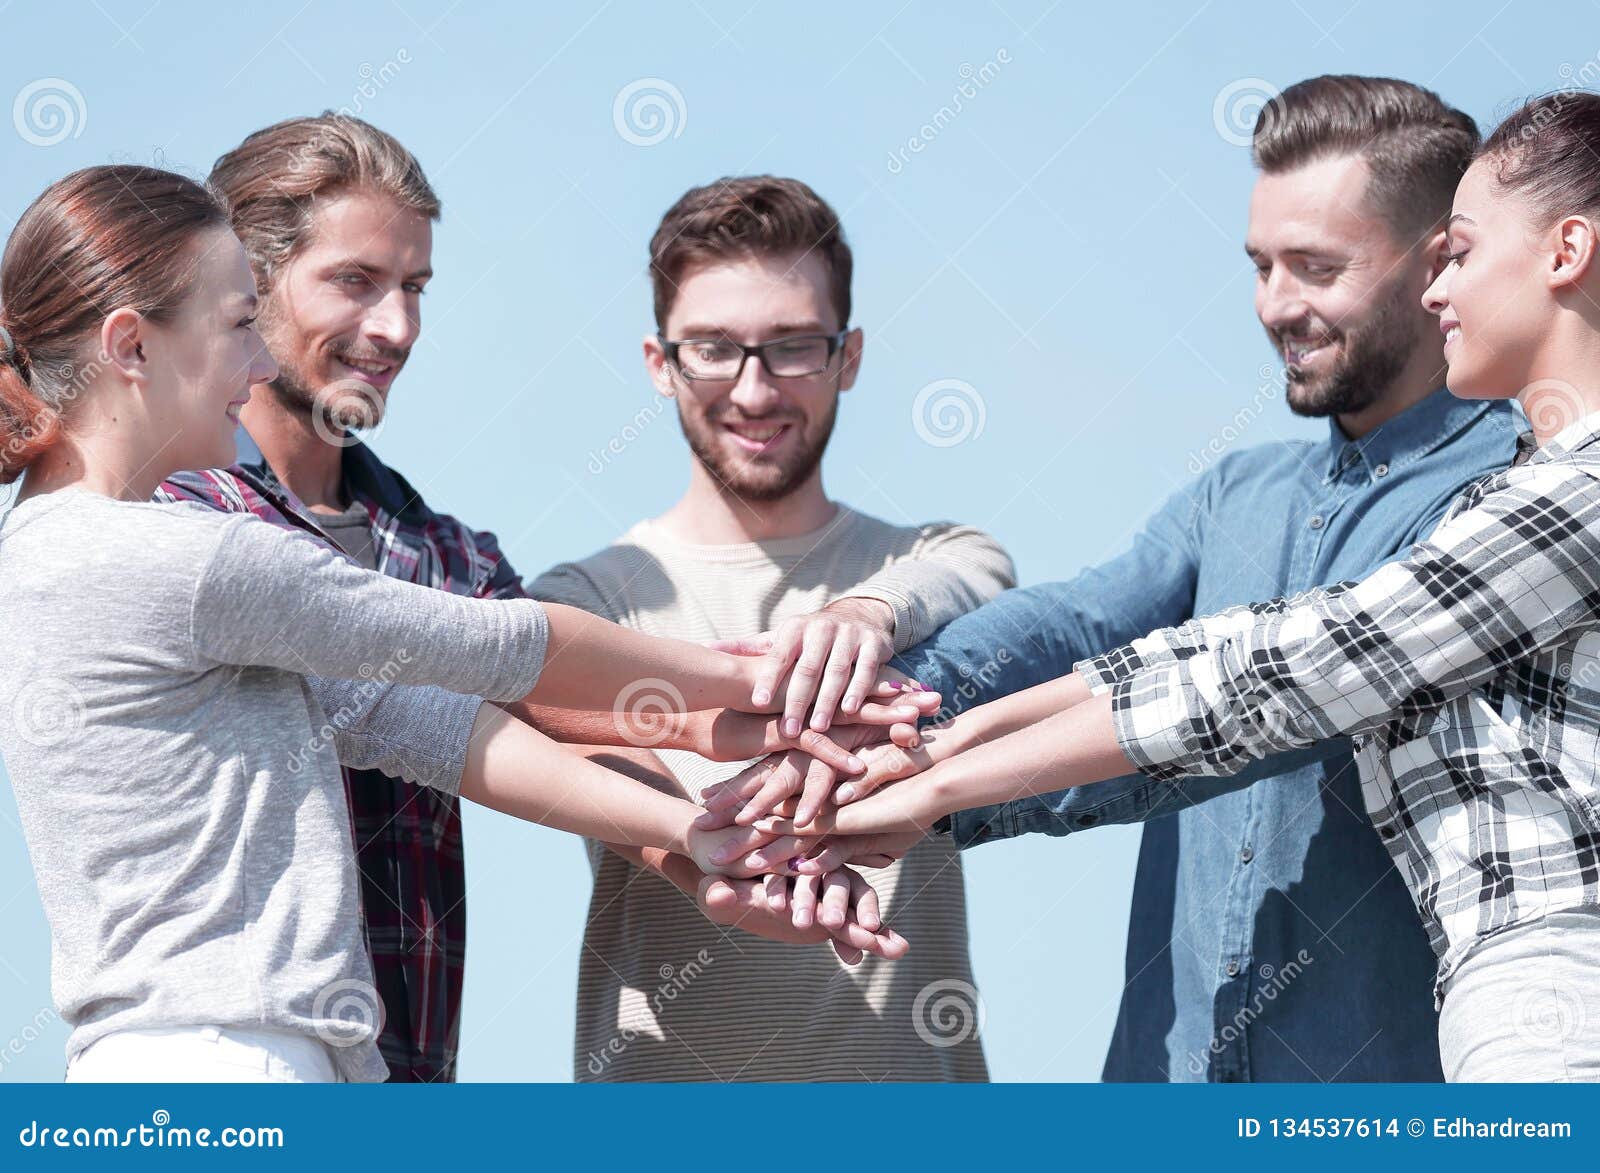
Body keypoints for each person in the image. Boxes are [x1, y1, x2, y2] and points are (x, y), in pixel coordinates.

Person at [0, 164, 902, 1084]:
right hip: (231, 1061)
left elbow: (410, 716)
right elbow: (493, 646)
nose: (260, 356)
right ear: (131, 346)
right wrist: (758, 681)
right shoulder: (197, 555)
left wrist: (699, 829)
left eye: (414, 288)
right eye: (239, 322)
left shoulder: (45, 550)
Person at [770, 90, 1600, 1083]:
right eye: (1260, 267)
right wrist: (880, 702)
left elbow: (1284, 685)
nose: (1276, 305)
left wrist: (932, 782)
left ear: (1438, 260)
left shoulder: (1516, 497)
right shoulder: (1236, 496)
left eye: (1317, 268)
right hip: (1177, 1076)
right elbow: (1089, 629)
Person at [528, 175, 1014, 1081]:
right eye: (714, 349)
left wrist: (865, 614)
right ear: (658, 360)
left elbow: (979, 577)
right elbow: (551, 728)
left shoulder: (935, 564)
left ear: (850, 355)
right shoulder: (585, 600)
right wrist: (713, 845)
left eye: (792, 347)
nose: (753, 390)